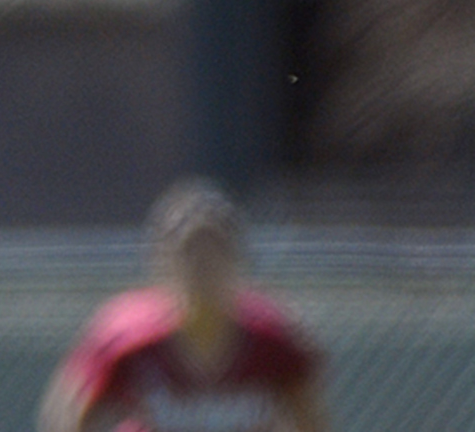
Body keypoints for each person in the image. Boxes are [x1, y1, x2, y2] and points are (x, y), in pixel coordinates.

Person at [37, 179, 328, 432]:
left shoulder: (272, 337)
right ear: (163, 261)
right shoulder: (127, 336)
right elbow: (67, 416)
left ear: (236, 258)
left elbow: (311, 420)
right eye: (190, 252)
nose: (202, 265)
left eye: (214, 249)